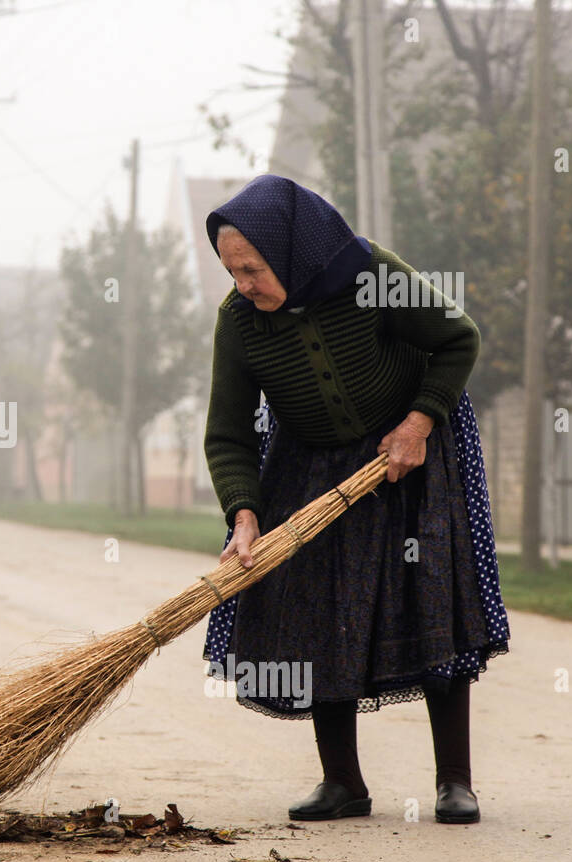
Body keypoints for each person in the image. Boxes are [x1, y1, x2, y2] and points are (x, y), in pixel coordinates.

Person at [200, 174, 511, 824]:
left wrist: (420, 423)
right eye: (232, 272)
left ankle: (455, 782)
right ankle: (343, 783)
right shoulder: (239, 324)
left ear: (289, 253)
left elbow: (459, 338)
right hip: (311, 467)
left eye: (252, 269)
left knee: (433, 598)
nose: (243, 285)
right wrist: (245, 514)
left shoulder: (369, 273)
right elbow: (228, 432)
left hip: (411, 451)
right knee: (319, 610)